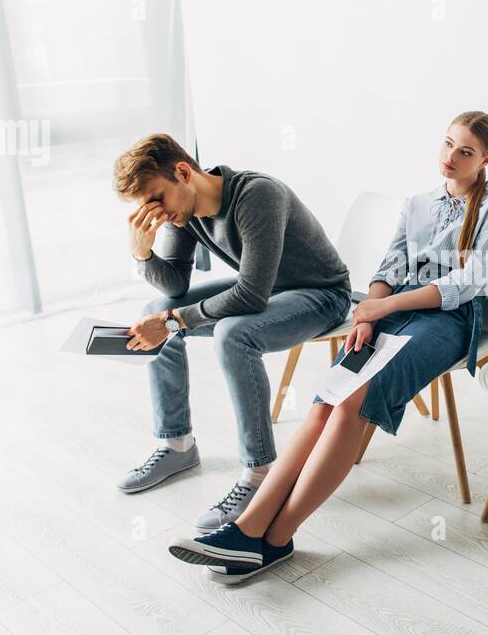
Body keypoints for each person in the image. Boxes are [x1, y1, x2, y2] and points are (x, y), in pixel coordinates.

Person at [167, 111, 488, 581]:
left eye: (465, 152)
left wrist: (383, 311)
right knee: (323, 402)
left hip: (453, 322)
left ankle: (275, 538)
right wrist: (370, 312)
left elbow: (471, 283)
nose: (450, 157)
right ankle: (247, 530)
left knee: (354, 401)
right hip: (393, 313)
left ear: (486, 159)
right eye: (447, 144)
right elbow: (389, 267)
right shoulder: (417, 203)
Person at [112, 134, 352, 537]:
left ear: (183, 173)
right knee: (153, 310)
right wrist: (142, 255)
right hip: (270, 291)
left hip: (322, 295)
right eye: (145, 208)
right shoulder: (183, 214)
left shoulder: (257, 195)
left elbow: (251, 294)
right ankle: (177, 446)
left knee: (231, 334)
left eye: (157, 199)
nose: (156, 214)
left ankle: (259, 476)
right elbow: (172, 288)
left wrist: (175, 323)